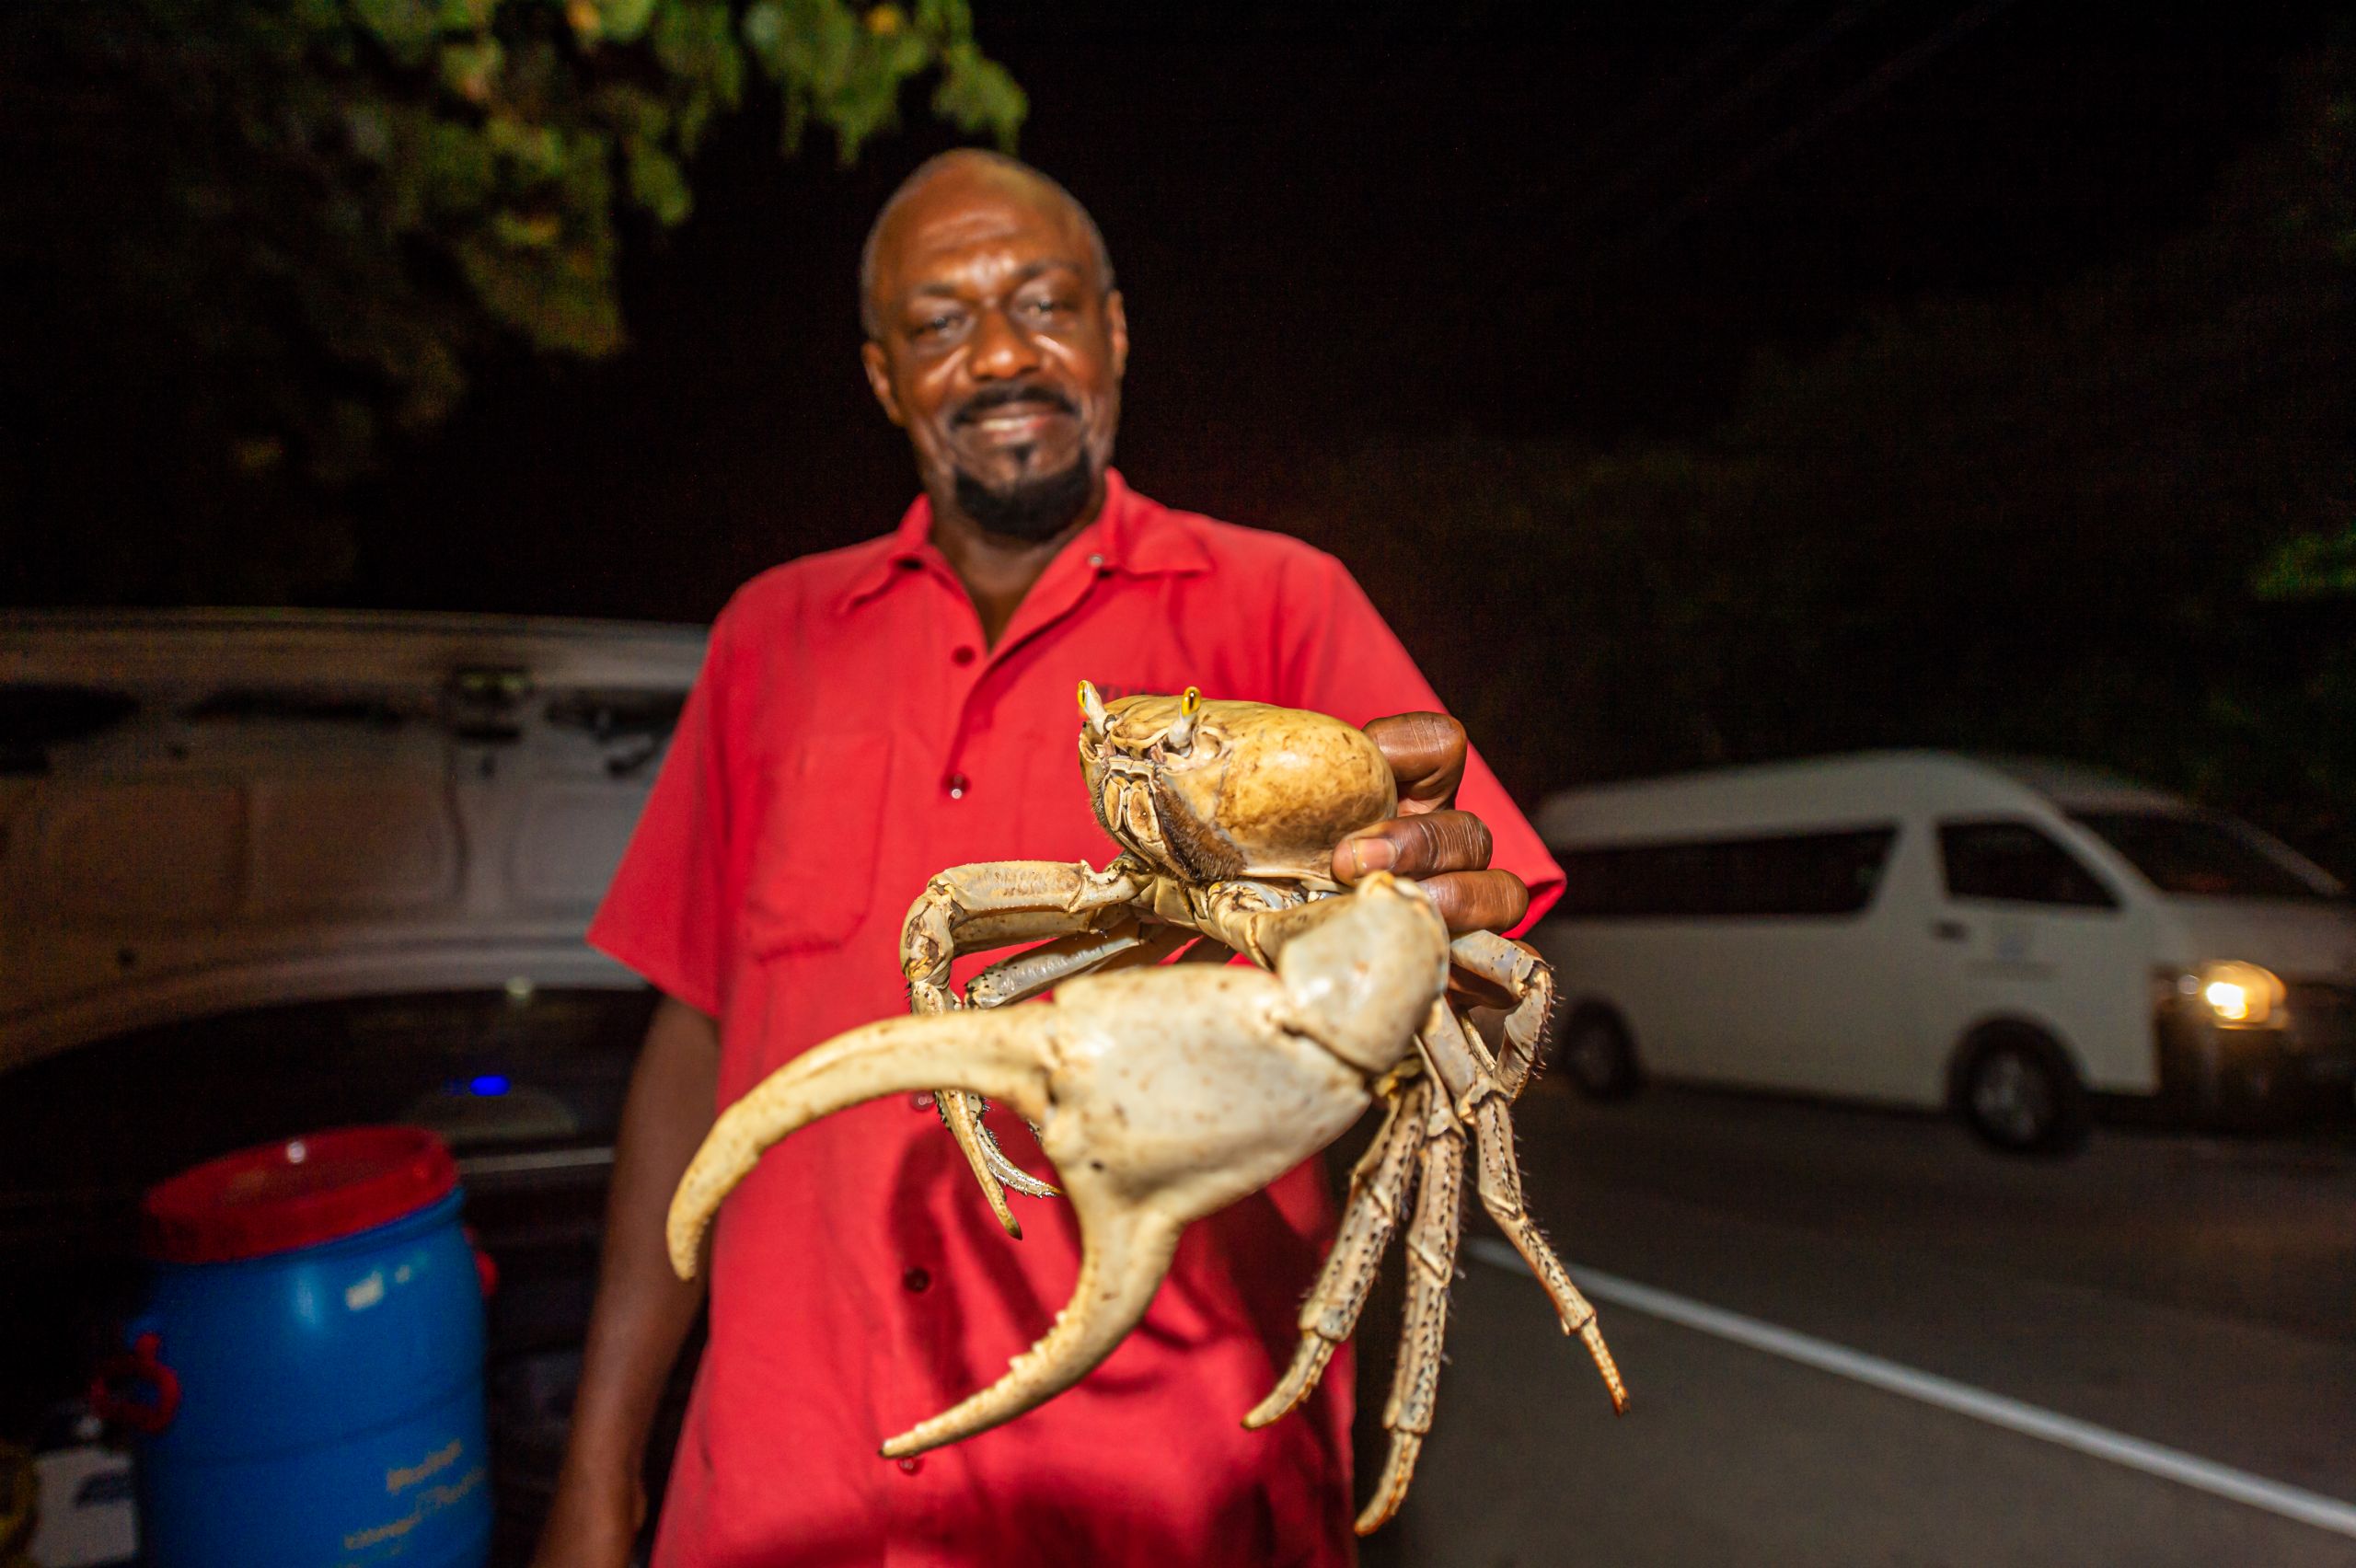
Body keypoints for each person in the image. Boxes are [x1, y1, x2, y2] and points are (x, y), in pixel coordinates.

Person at [532, 149, 1564, 1568]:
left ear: (1117, 332)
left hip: (1172, 1491)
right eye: (942, 321)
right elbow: (694, 1028)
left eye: (1043, 302)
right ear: (887, 378)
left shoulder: (1283, 603)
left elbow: (1489, 977)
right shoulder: (770, 636)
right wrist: (603, 1464)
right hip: (783, 1476)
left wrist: (1445, 929)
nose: (1003, 353)